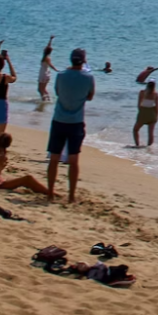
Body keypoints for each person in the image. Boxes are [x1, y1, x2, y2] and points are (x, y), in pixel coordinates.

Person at [46, 47, 95, 204]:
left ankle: (50, 192)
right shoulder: (88, 77)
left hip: (59, 119)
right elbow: (90, 96)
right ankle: (71, 195)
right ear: (84, 61)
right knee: (73, 161)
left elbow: (58, 93)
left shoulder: (61, 75)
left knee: (54, 158)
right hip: (76, 122)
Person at [0, 131, 54, 197]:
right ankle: (50, 193)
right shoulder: (1, 157)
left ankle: (48, 192)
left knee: (22, 180)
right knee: (28, 179)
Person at [133, 81, 158, 147]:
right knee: (150, 133)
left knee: (135, 130)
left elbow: (139, 105)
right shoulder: (156, 94)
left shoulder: (142, 92)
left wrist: (141, 113)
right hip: (152, 113)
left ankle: (137, 145)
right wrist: (156, 116)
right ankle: (148, 148)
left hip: (143, 112)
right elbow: (157, 107)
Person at [36, 37, 55, 101]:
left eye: (44, 49)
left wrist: (56, 69)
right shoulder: (46, 56)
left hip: (44, 74)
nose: (43, 49)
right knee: (43, 89)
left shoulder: (46, 58)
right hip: (45, 73)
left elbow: (50, 65)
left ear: (46, 51)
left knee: (40, 89)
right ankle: (48, 99)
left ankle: (44, 100)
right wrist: (50, 40)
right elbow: (48, 46)